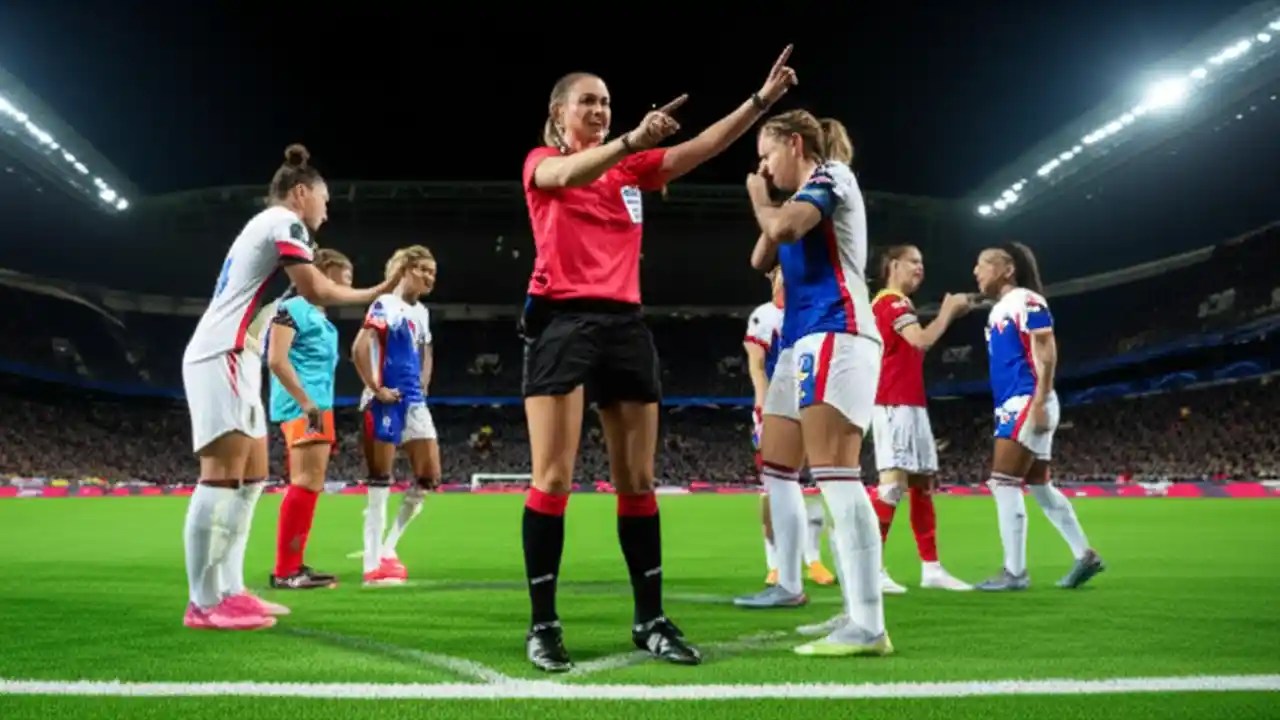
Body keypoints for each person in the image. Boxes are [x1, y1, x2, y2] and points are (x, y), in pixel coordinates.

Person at [518, 46, 799, 672]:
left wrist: (761, 102)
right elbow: (566, 179)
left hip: (624, 324)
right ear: (559, 112)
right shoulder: (544, 162)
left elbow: (700, 147)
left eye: (606, 101)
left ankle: (650, 619)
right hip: (563, 320)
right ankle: (543, 625)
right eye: (587, 100)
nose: (598, 107)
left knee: (638, 481)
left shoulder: (632, 173)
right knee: (554, 479)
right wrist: (628, 138)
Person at [180, 143, 399, 630]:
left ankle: (232, 591)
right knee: (220, 477)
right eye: (325, 198)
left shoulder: (270, 227)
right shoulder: (286, 223)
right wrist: (377, 291)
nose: (328, 208)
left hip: (242, 357)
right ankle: (202, 602)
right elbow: (317, 289)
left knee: (253, 480)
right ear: (301, 194)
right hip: (224, 353)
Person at [746, 109, 890, 657]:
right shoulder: (795, 199)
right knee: (778, 464)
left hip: (839, 330)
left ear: (797, 144)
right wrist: (765, 197)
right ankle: (790, 583)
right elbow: (761, 254)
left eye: (768, 153)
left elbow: (778, 230)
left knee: (837, 476)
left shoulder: (831, 176)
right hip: (801, 341)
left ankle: (869, 624)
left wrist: (760, 198)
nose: (762, 165)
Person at [971, 242, 1105, 591]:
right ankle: (1084, 554)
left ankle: (1015, 573)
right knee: (1040, 487)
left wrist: (1041, 399)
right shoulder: (1002, 307)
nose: (976, 271)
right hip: (1019, 401)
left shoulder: (1026, 300)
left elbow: (1045, 345)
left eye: (983, 264)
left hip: (1026, 400)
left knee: (1003, 482)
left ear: (1007, 269)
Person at [868, 245, 973, 593]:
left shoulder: (899, 304)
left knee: (922, 484)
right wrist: (947, 312)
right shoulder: (890, 302)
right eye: (914, 261)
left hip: (910, 403)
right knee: (892, 485)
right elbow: (921, 340)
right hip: (892, 403)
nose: (920, 268)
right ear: (893, 264)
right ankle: (870, 567)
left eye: (923, 262)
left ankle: (931, 568)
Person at [352, 245, 440, 587]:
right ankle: (372, 564)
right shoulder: (385, 304)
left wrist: (424, 385)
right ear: (404, 269)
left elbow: (426, 349)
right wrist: (375, 388)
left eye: (433, 272)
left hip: (415, 402)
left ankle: (388, 548)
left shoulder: (423, 313)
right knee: (380, 481)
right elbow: (360, 346)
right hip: (385, 400)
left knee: (429, 476)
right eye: (424, 270)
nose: (430, 278)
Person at [266, 249, 354, 590]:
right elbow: (276, 359)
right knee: (304, 480)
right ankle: (286, 570)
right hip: (305, 407)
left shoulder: (321, 318)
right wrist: (306, 403)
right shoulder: (290, 309)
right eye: (344, 279)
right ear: (324, 273)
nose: (347, 287)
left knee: (312, 482)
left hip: (319, 406)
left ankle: (294, 564)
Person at [742, 268, 835, 589]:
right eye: (781, 272)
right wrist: (762, 406)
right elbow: (755, 363)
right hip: (775, 406)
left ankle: (813, 559)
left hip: (811, 403)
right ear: (771, 277)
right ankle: (776, 564)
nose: (787, 276)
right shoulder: (765, 315)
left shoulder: (812, 313)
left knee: (814, 484)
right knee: (775, 484)